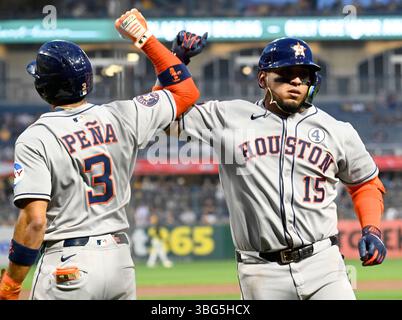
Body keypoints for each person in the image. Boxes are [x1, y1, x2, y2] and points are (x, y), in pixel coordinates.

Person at [167, 33, 387, 299]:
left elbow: (365, 183)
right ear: (263, 79)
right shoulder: (228, 117)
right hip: (260, 271)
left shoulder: (337, 130)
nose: (296, 81)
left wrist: (372, 228)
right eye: (285, 73)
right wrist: (176, 60)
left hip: (323, 264)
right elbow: (164, 117)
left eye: (304, 75)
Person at [0, 9, 199, 300]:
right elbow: (184, 92)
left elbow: (35, 222)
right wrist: (148, 41)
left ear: (43, 87)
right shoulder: (122, 114)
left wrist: (10, 284)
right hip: (119, 262)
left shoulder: (36, 137)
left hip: (68, 265)